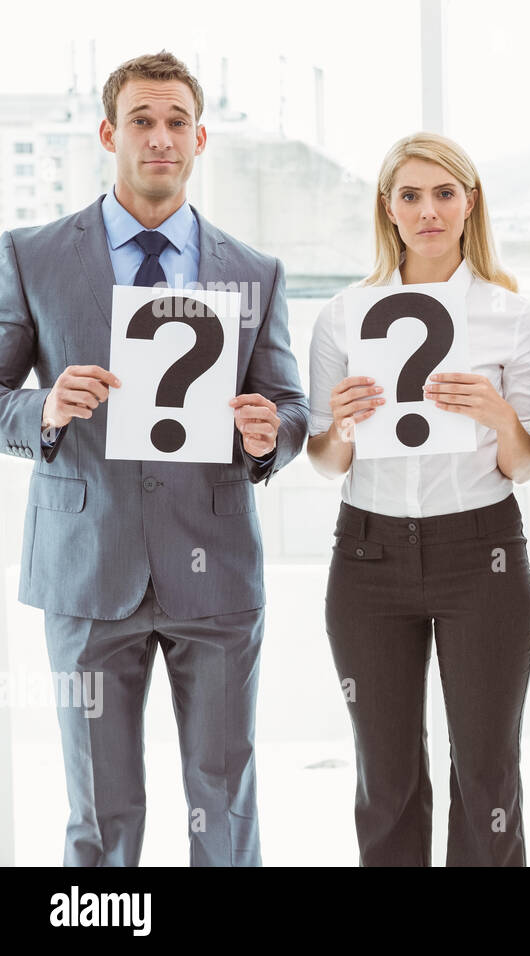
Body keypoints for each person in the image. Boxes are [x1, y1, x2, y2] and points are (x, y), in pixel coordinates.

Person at [0, 51, 308, 866]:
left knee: (224, 796)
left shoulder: (254, 271)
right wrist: (46, 409)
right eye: (142, 120)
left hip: (216, 575)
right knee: (100, 812)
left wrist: (270, 430)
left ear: (200, 138)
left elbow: (291, 403)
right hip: (86, 568)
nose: (160, 137)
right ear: (110, 132)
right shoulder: (31, 255)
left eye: (176, 122)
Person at [307, 132, 530, 866]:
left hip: (483, 554)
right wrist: (342, 425)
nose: (429, 211)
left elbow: (528, 463)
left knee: (486, 771)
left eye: (444, 193)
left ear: (470, 203)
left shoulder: (513, 315)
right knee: (385, 777)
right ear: (389, 209)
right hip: (368, 553)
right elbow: (323, 458)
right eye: (410, 195)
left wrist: (500, 417)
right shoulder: (344, 314)